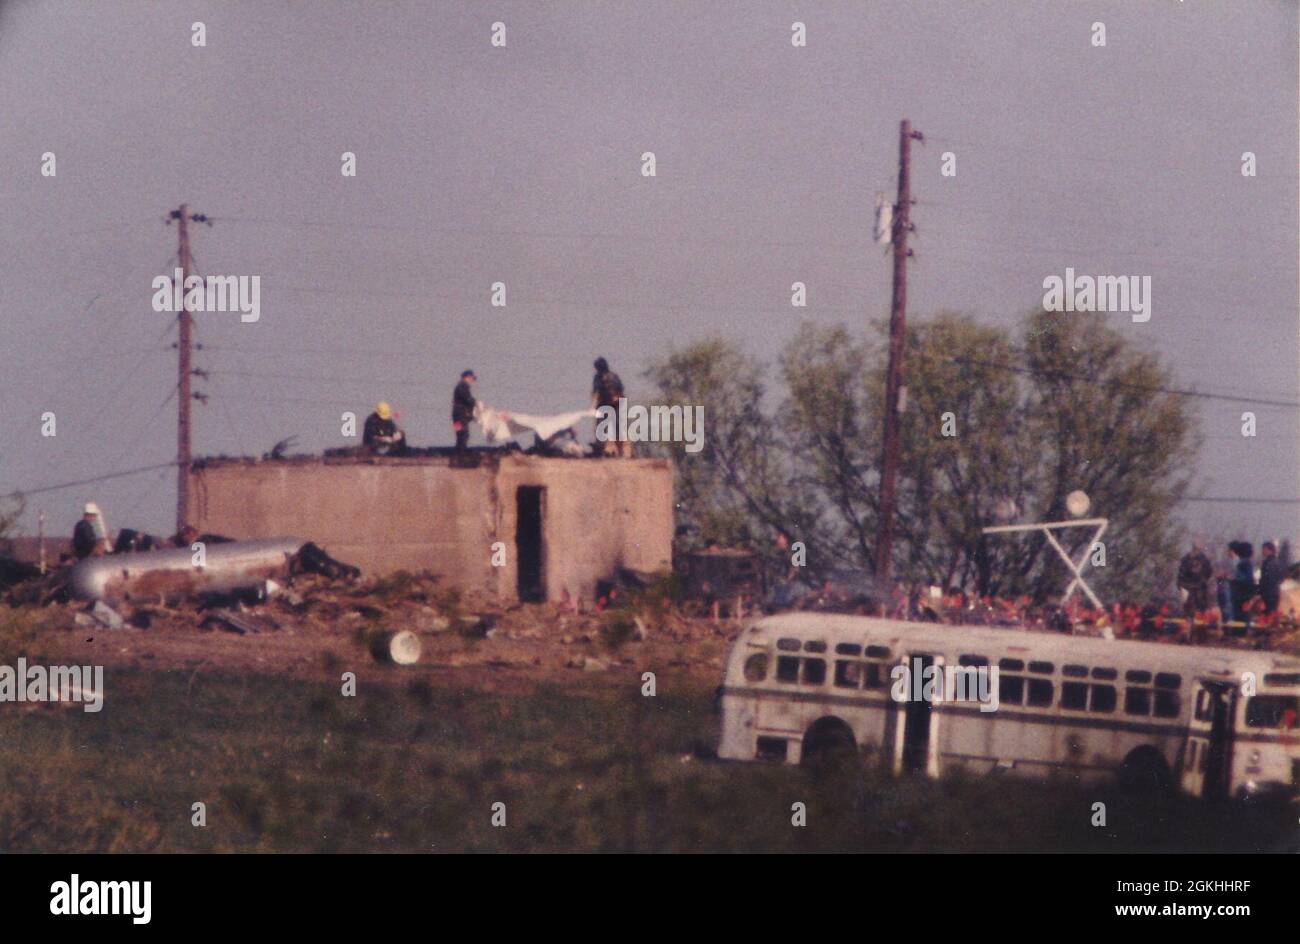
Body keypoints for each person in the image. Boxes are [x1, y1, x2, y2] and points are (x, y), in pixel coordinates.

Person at [590, 357, 629, 457]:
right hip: (605, 405)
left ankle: (619, 452)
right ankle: (602, 452)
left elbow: (620, 391)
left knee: (615, 430)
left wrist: (616, 399)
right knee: (602, 429)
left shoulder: (611, 377)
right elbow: (595, 392)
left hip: (613, 405)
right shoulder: (599, 378)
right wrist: (593, 406)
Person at [1177, 539, 1213, 620]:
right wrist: (1181, 585)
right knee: (1188, 609)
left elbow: (1209, 572)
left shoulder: (1203, 559)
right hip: (1189, 588)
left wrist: (1203, 581)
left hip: (1199, 588)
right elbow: (1181, 574)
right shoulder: (1186, 558)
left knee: (1200, 609)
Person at [452, 371, 477, 454]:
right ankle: (461, 453)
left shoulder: (459, 385)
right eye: (472, 378)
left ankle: (458, 451)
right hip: (461, 415)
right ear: (468, 377)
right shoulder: (463, 385)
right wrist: (475, 403)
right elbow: (467, 398)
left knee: (459, 433)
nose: (472, 381)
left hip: (456, 415)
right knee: (464, 433)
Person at [1259, 540, 1284, 615]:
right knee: (1272, 614)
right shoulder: (1278, 562)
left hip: (1268, 594)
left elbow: (1266, 579)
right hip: (1275, 592)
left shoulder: (1267, 563)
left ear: (1269, 550)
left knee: (1267, 615)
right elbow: (1281, 579)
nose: (1262, 551)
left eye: (1263, 549)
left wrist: (1261, 592)